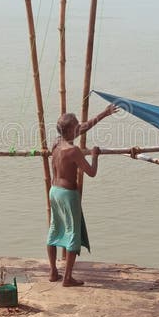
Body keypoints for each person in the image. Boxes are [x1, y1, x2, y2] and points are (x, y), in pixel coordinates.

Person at [46, 104, 117, 287]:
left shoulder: (56, 142)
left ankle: (54, 272)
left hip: (54, 192)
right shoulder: (73, 151)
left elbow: (84, 127)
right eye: (76, 127)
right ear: (69, 130)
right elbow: (91, 172)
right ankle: (68, 278)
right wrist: (94, 155)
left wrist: (104, 113)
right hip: (68, 194)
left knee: (54, 230)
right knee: (72, 234)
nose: (79, 128)